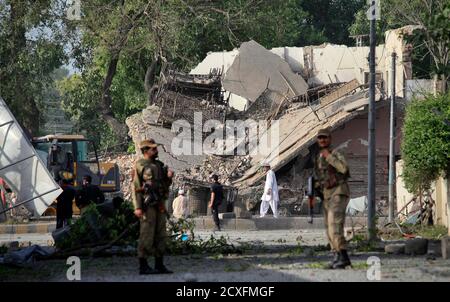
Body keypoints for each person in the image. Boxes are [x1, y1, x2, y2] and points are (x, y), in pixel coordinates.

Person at [132, 139, 174, 275]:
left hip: (160, 204)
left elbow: (165, 186)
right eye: (153, 149)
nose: (156, 151)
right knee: (147, 234)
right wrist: (138, 207)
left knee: (161, 234)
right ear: (145, 151)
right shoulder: (140, 165)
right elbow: (136, 188)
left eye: (156, 148)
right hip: (147, 205)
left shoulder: (159, 165)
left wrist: (169, 178)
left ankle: (159, 264)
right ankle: (143, 266)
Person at [313, 128, 351, 269]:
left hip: (338, 192)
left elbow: (343, 168)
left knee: (335, 224)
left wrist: (329, 156)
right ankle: (336, 255)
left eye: (325, 137)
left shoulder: (336, 153)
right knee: (328, 228)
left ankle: (343, 256)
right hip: (327, 195)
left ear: (330, 139)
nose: (322, 140)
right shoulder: (318, 157)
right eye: (320, 138)